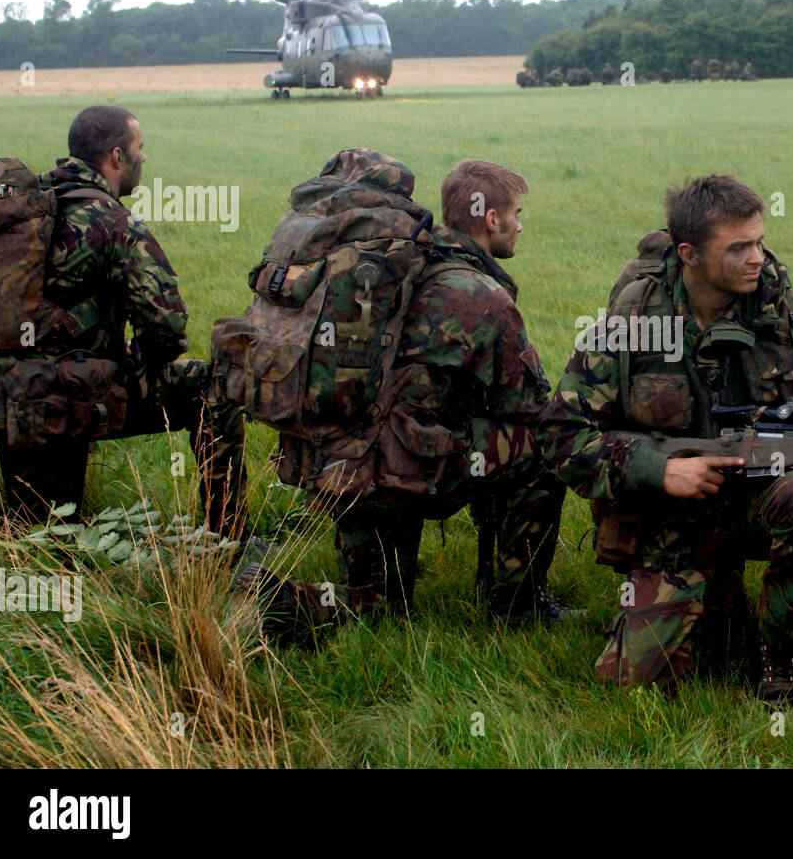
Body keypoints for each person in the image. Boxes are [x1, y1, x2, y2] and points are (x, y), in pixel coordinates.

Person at [541, 175, 793, 704]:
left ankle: (781, 663)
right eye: (739, 248)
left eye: (760, 241)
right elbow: (562, 434)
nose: (758, 258)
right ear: (690, 254)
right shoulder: (633, 320)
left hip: (759, 505)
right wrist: (659, 470)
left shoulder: (786, 316)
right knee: (636, 686)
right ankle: (716, 596)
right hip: (667, 519)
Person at [242, 157, 571, 627]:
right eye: (517, 214)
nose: (520, 226)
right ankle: (517, 605)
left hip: (339, 464)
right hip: (401, 469)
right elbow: (528, 406)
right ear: (492, 219)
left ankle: (292, 600)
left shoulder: (392, 268)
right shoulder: (481, 295)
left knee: (379, 613)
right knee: (543, 445)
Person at [0, 105, 244, 532]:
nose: (144, 159)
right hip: (66, 400)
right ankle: (230, 539)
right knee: (212, 388)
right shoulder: (113, 221)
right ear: (117, 157)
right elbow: (168, 329)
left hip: (1, 398)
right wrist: (129, 356)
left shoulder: (22, 215)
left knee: (40, 537)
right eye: (139, 148)